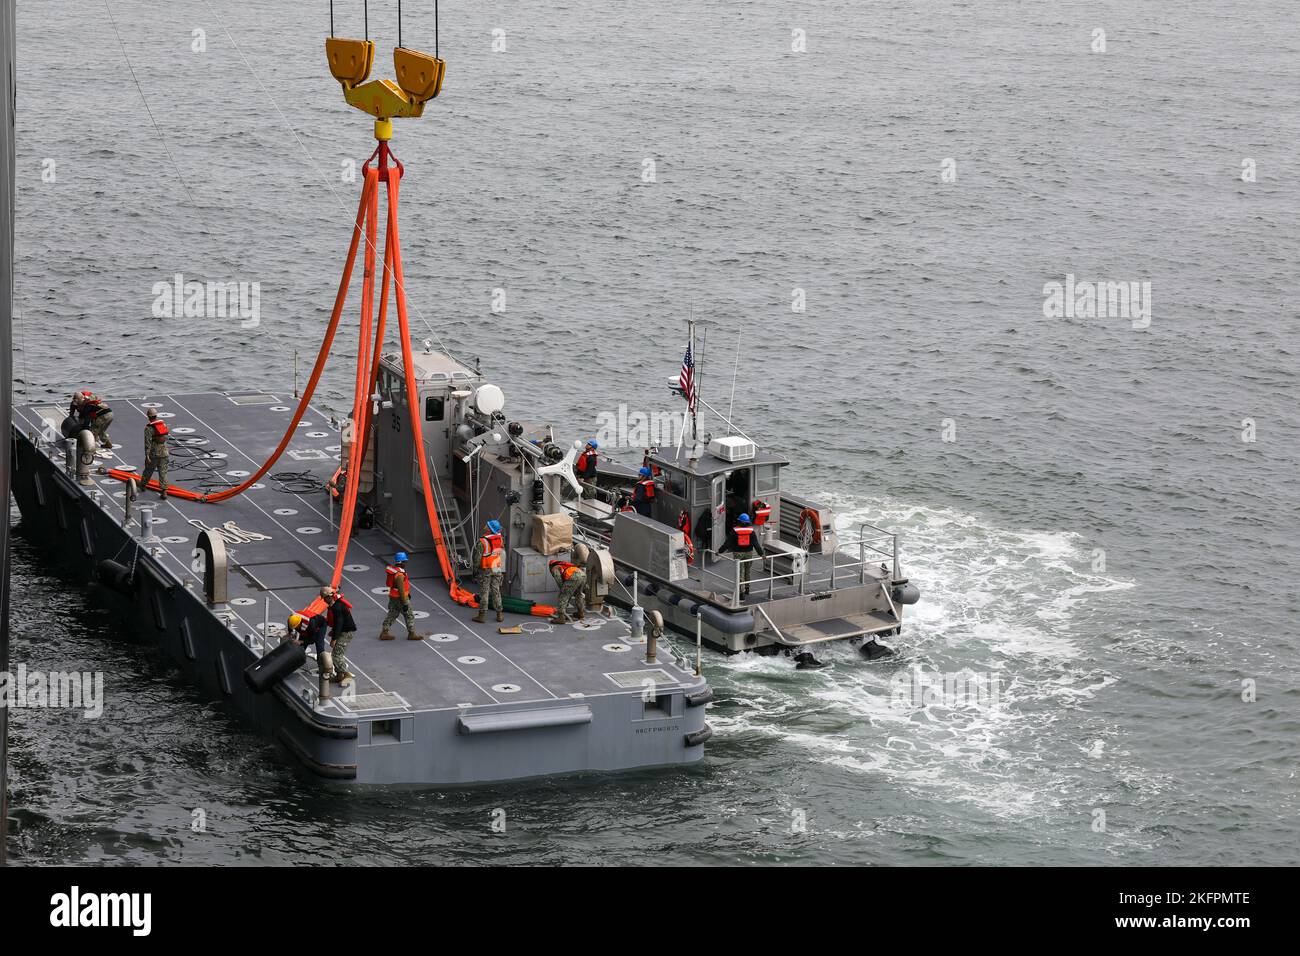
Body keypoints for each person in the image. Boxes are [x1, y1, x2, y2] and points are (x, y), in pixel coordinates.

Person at [719, 512, 766, 598]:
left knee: (740, 572)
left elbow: (727, 543)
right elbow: (756, 544)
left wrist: (720, 551)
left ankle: (741, 592)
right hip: (749, 553)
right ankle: (747, 588)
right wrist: (761, 554)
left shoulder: (735, 531)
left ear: (740, 522)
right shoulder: (751, 532)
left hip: (738, 554)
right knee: (747, 570)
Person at [379, 552, 423, 640]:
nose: (406, 563)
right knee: (409, 615)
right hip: (400, 598)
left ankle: (384, 632)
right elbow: (401, 589)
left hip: (393, 596)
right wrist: (405, 603)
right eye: (405, 561)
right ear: (401, 562)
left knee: (392, 613)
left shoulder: (394, 571)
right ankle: (411, 633)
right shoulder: (399, 575)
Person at [471, 519, 506, 624]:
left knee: (484, 591)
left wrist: (475, 570)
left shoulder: (482, 542)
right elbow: (501, 552)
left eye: (487, 525)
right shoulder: (500, 539)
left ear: (490, 529)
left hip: (486, 569)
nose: (485, 526)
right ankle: (499, 614)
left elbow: (477, 558)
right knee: (496, 590)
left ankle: (481, 615)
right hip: (497, 568)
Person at [288, 609, 332, 686]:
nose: (295, 629)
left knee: (319, 645)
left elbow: (312, 639)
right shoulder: (292, 618)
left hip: (320, 626)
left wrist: (301, 641)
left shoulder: (310, 624)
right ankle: (296, 662)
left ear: (299, 623)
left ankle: (321, 666)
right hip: (307, 628)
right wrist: (290, 633)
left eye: (296, 627)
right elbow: (291, 626)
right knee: (300, 647)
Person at [321, 586, 356, 686]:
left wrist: (334, 639)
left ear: (328, 597)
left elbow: (338, 624)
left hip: (346, 632)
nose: (324, 600)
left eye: (324, 598)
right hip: (343, 631)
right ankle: (339, 676)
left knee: (336, 655)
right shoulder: (336, 605)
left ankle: (346, 674)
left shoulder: (337, 607)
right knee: (336, 653)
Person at [137, 407, 170, 500]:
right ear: (156, 415)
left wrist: (147, 455)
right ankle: (164, 491)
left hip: (154, 453)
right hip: (164, 451)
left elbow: (147, 442)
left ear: (148, 416)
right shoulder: (163, 424)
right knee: (163, 472)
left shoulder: (148, 428)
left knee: (148, 470)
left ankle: (143, 485)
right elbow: (165, 437)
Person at [548, 553, 588, 624]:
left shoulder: (555, 568)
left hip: (574, 576)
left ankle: (561, 617)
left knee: (563, 595)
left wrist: (564, 592)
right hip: (583, 575)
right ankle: (580, 613)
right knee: (579, 595)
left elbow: (559, 581)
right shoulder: (564, 566)